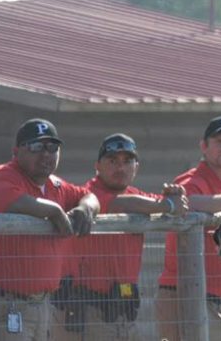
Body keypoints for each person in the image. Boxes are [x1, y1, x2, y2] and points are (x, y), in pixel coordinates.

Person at [52, 133, 188, 341]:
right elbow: (122, 204)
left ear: (136, 167)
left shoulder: (138, 196)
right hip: (83, 312)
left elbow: (170, 205)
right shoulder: (88, 195)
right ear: (97, 166)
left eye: (127, 161)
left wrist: (176, 197)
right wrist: (168, 205)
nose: (120, 167)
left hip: (121, 312)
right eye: (112, 160)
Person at [0, 119, 100, 341]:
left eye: (52, 147)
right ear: (16, 151)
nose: (46, 154)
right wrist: (55, 211)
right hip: (6, 303)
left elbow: (90, 196)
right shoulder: (3, 174)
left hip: (42, 303)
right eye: (36, 147)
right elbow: (10, 201)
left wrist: (86, 208)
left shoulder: (55, 185)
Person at [156, 116, 221, 341]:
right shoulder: (191, 180)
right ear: (204, 146)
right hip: (185, 296)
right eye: (219, 142)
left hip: (217, 301)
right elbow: (186, 202)